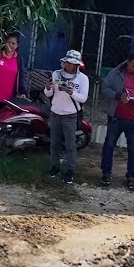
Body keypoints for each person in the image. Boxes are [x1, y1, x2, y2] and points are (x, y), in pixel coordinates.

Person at [99, 52, 134, 190]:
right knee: (109, 145)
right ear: (127, 62)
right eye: (133, 65)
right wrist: (118, 96)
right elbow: (105, 88)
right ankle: (106, 174)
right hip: (116, 116)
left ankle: (131, 176)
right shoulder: (116, 73)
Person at [43, 50, 90, 184]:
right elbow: (49, 93)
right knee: (54, 143)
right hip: (55, 112)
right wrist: (47, 87)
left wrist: (72, 93)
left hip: (70, 114)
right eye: (66, 62)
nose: (67, 65)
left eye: (70, 63)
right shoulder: (56, 74)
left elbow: (83, 98)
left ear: (76, 65)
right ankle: (54, 167)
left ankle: (70, 171)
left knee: (70, 145)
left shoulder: (82, 79)